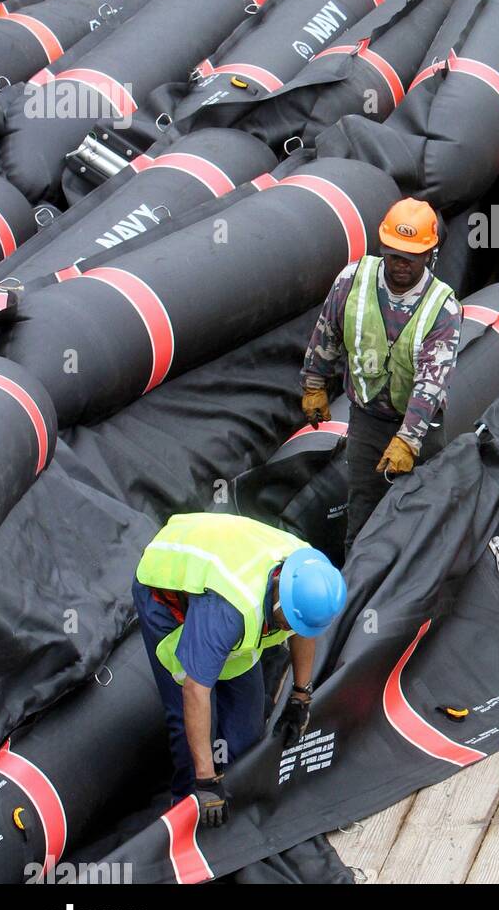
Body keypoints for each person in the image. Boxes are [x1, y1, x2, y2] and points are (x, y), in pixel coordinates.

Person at [132, 512, 346, 827]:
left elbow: (305, 630)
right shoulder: (230, 609)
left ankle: (232, 805)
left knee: (245, 728)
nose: (291, 629)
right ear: (280, 600)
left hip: (224, 572)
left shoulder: (305, 574)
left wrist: (302, 695)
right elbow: (195, 690)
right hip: (167, 593)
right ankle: (187, 811)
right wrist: (206, 782)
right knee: (189, 719)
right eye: (289, 622)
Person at [300, 198, 462, 554]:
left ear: (430, 254)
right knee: (362, 516)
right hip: (367, 421)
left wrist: (408, 440)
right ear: (383, 248)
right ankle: (357, 592)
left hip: (420, 428)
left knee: (421, 520)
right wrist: (315, 384)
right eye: (394, 254)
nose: (402, 264)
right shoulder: (352, 281)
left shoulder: (443, 309)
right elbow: (327, 331)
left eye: (412, 256)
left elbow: (431, 384)